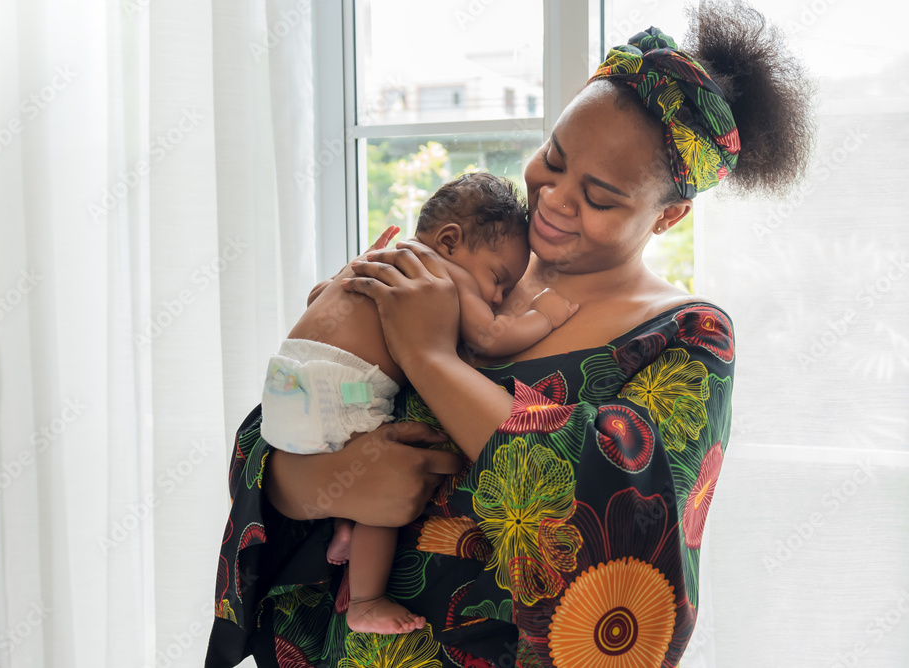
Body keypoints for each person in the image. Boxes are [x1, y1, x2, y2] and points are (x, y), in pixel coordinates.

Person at [205, 3, 814, 666]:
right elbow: (287, 419)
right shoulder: (459, 262)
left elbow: (622, 535)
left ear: (667, 217)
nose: (552, 199)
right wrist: (321, 480)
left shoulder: (688, 340)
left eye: (601, 195)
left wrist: (431, 357)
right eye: (553, 158)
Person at [259, 171, 578, 635]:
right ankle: (366, 600)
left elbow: (315, 296)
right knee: (381, 492)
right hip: (339, 390)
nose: (495, 296)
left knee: (354, 465)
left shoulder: (381, 258)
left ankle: (343, 526)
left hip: (288, 383)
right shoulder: (439, 273)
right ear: (450, 240)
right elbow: (490, 337)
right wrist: (542, 315)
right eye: (497, 279)